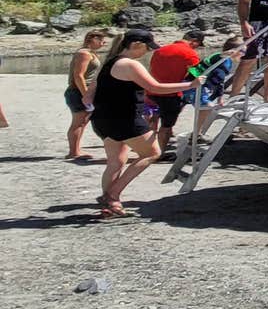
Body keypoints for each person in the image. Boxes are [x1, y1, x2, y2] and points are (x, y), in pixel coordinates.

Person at [91, 30, 196, 219]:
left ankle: (110, 205)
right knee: (152, 153)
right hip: (125, 118)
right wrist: (190, 85)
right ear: (136, 45)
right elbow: (155, 87)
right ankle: (112, 194)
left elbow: (89, 94)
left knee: (116, 161)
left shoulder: (110, 62)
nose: (147, 52)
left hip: (102, 118)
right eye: (147, 48)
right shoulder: (130, 64)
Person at [149, 28, 205, 153]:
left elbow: (152, 68)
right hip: (170, 92)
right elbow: (198, 73)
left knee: (154, 119)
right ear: (194, 42)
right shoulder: (189, 53)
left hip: (152, 90)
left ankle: (148, 148)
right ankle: (159, 153)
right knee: (167, 125)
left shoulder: (160, 50)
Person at [64, 29, 109, 161]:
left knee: (82, 122)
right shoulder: (83, 54)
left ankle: (76, 149)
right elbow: (78, 76)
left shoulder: (91, 53)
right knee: (78, 122)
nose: (103, 43)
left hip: (85, 91)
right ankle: (73, 152)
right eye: (101, 40)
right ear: (93, 39)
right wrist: (86, 95)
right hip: (78, 92)